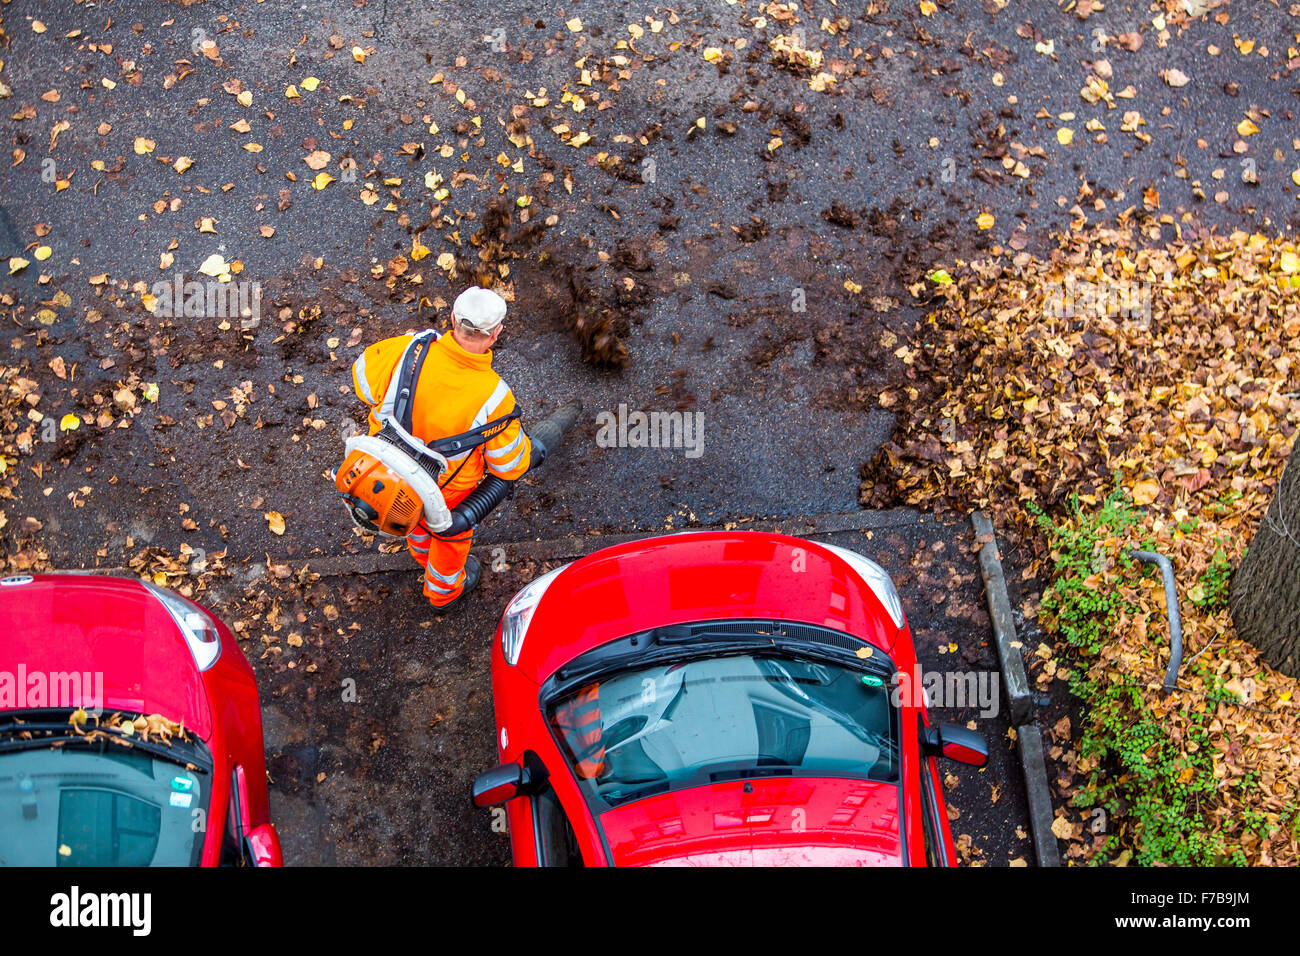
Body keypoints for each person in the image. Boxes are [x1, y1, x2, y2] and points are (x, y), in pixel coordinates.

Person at [350, 286, 531, 609]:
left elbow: (362, 379)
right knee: (449, 544)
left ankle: (420, 554)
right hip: (444, 497)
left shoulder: (409, 350)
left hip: (387, 473)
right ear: (496, 333)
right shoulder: (496, 397)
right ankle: (444, 593)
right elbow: (510, 465)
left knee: (414, 526)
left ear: (452, 319)